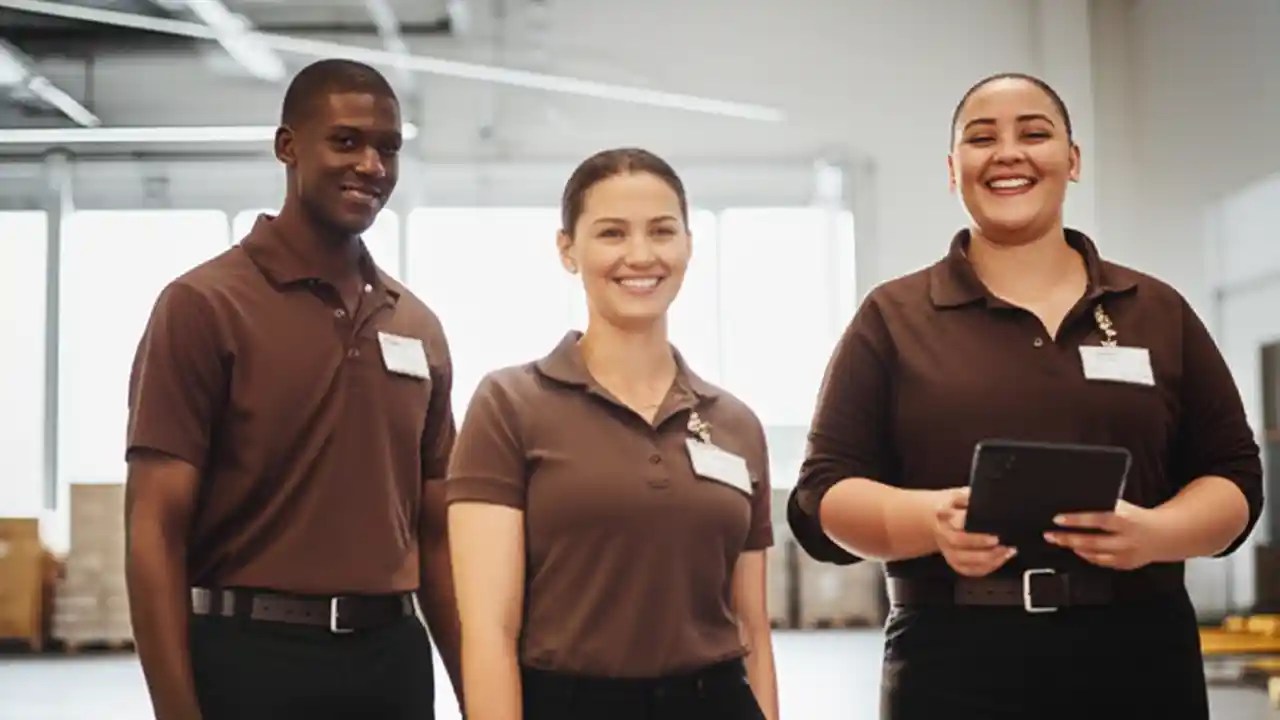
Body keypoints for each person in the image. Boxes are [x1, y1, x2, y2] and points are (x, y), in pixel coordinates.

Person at [787, 72, 1263, 719]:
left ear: (1072, 161)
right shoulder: (893, 318)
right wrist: (925, 523)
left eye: (1034, 133)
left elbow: (1235, 479)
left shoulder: (1155, 311)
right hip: (952, 664)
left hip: (1138, 657)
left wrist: (1156, 533)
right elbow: (822, 496)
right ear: (954, 170)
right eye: (982, 138)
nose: (1008, 152)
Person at [124, 59, 462, 720]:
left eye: (388, 148)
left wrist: (481, 696)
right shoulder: (203, 306)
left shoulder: (418, 327)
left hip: (392, 661)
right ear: (288, 147)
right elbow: (154, 528)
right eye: (346, 141)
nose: (372, 165)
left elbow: (439, 536)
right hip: (249, 660)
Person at [446, 148, 780, 720]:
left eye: (661, 231)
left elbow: (751, 627)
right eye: (611, 233)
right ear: (567, 250)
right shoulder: (509, 405)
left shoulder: (735, 424)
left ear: (688, 246)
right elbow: (489, 633)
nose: (640, 255)